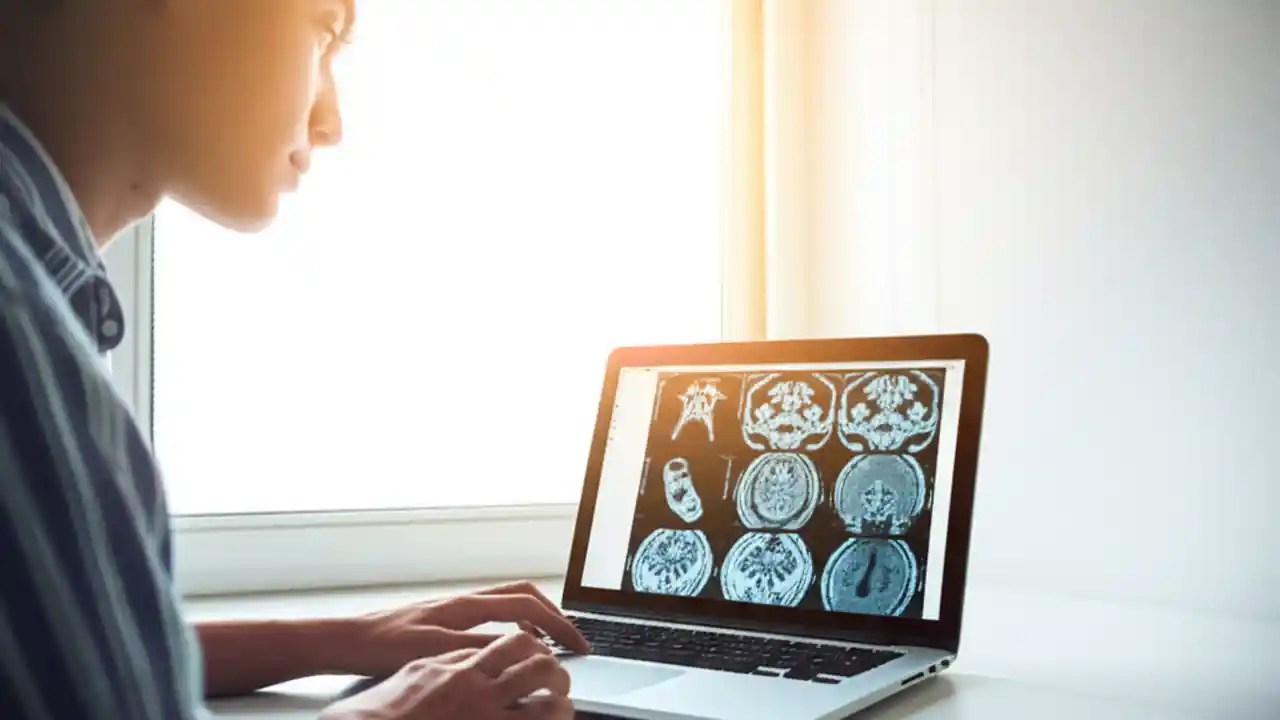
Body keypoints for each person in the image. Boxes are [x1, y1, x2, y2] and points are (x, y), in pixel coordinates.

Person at [0, 1, 589, 718]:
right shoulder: (21, 337)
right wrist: (385, 714)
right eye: (325, 31)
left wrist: (345, 636)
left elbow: (65, 656)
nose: (331, 120)